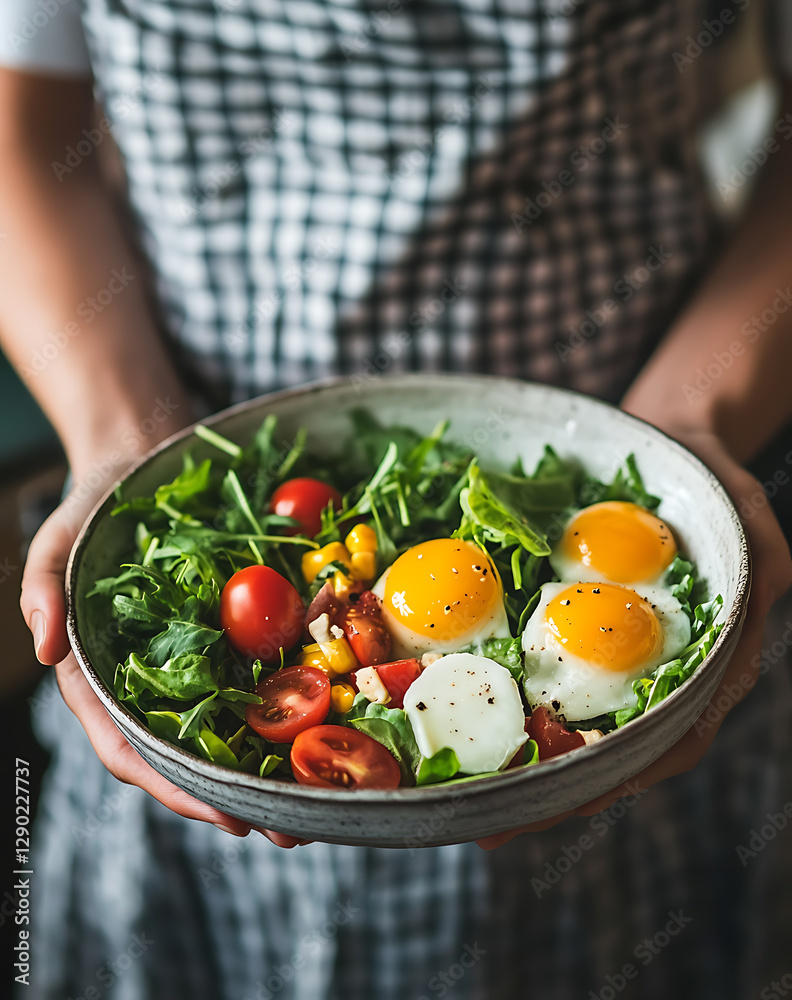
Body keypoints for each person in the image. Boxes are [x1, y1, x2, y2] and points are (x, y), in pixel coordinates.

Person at [2, 0, 791, 996]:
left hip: (635, 409)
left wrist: (686, 432)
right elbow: (21, 139)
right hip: (193, 417)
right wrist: (120, 443)